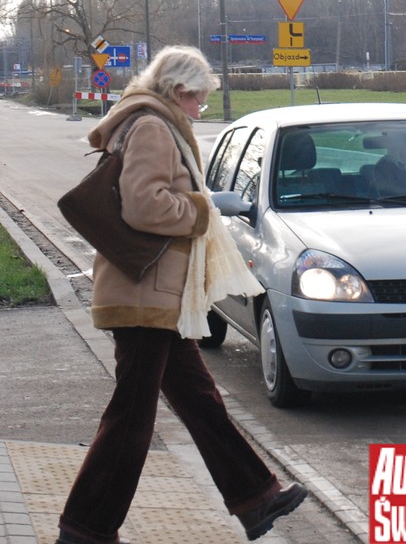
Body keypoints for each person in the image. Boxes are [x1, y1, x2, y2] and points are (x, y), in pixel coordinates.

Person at [57, 45, 305, 544]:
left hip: (156, 293)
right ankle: (85, 528)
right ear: (178, 91)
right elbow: (144, 207)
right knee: (132, 418)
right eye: (198, 101)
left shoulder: (155, 120)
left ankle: (257, 498)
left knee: (201, 402)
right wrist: (203, 208)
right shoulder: (152, 126)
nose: (200, 109)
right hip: (143, 295)